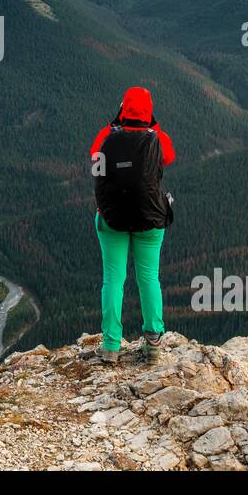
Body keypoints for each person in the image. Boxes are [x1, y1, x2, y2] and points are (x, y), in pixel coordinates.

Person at [88, 86, 176, 365]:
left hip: (112, 219)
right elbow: (168, 157)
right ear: (149, 112)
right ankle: (153, 343)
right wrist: (152, 125)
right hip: (149, 219)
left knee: (113, 279)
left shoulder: (106, 137)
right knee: (149, 278)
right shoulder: (157, 138)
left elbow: (95, 159)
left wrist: (115, 126)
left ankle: (111, 345)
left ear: (122, 108)